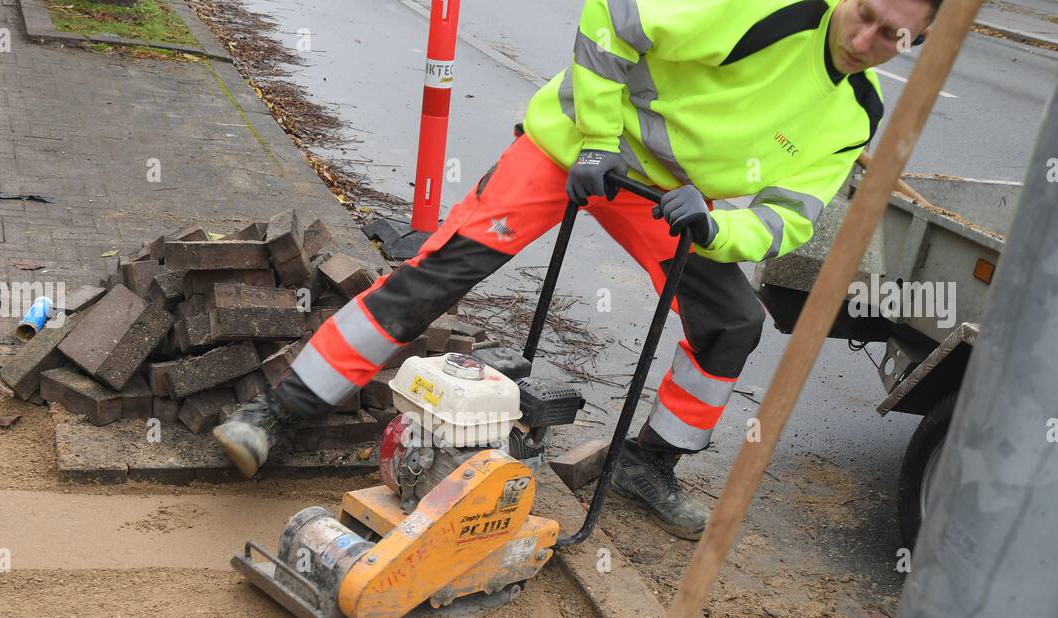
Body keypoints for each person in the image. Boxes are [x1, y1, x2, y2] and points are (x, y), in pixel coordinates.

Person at [215, 0, 937, 540]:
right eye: (865, 14)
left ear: (917, 42)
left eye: (892, 35)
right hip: (576, 149)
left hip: (663, 198)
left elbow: (790, 215)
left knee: (732, 324)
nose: (867, 38)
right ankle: (280, 412)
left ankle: (645, 463)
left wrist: (717, 228)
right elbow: (614, 17)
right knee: (435, 276)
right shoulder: (767, 9)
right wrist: (595, 138)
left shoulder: (853, 114)